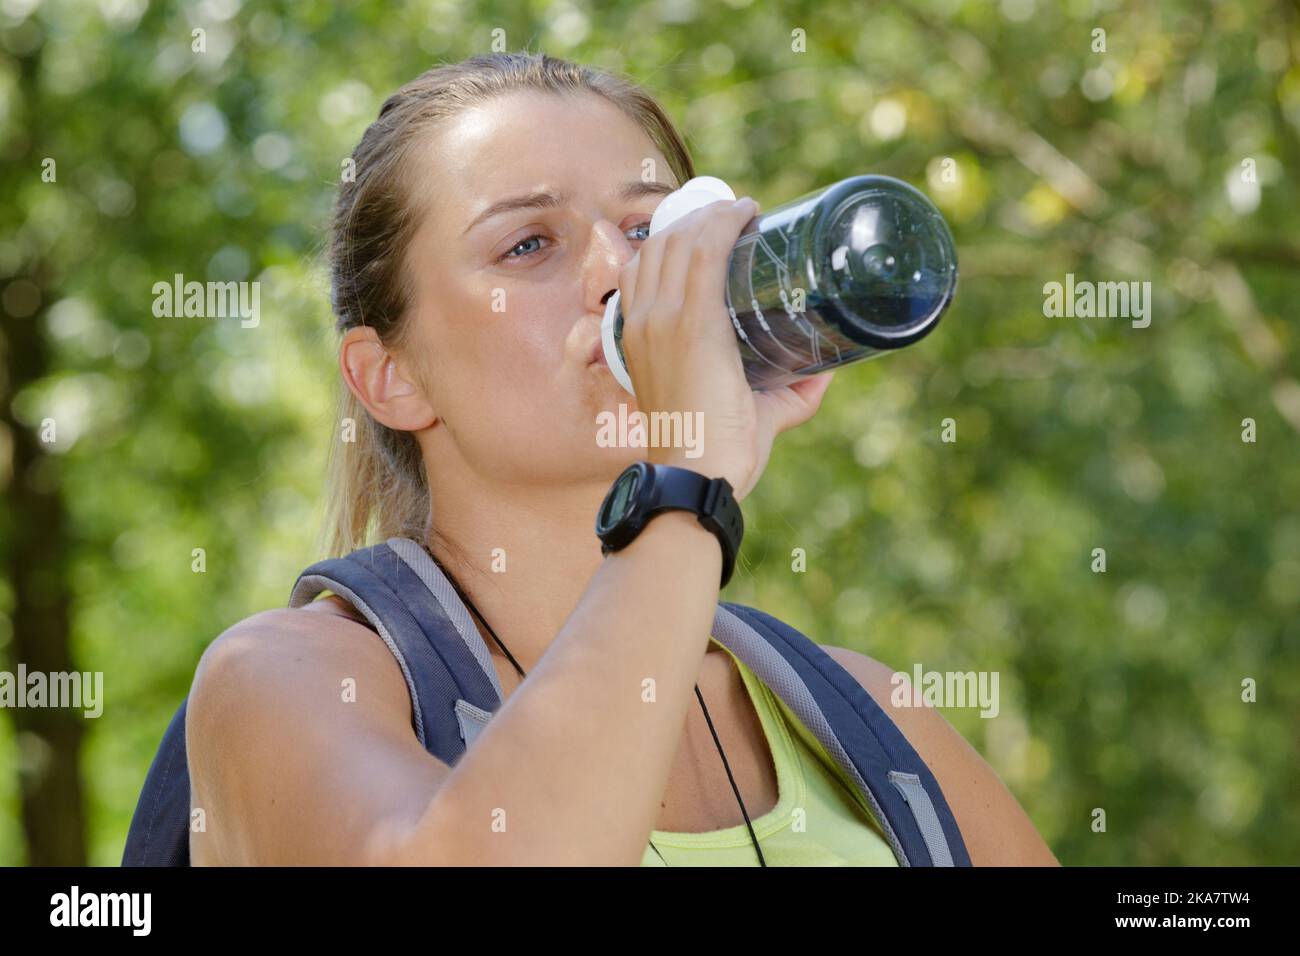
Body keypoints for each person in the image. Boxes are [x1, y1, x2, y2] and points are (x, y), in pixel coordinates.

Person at [185, 51, 1058, 866]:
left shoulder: (866, 722)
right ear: (391, 378)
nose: (621, 274)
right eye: (528, 244)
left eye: (649, 230)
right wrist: (689, 485)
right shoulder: (292, 679)